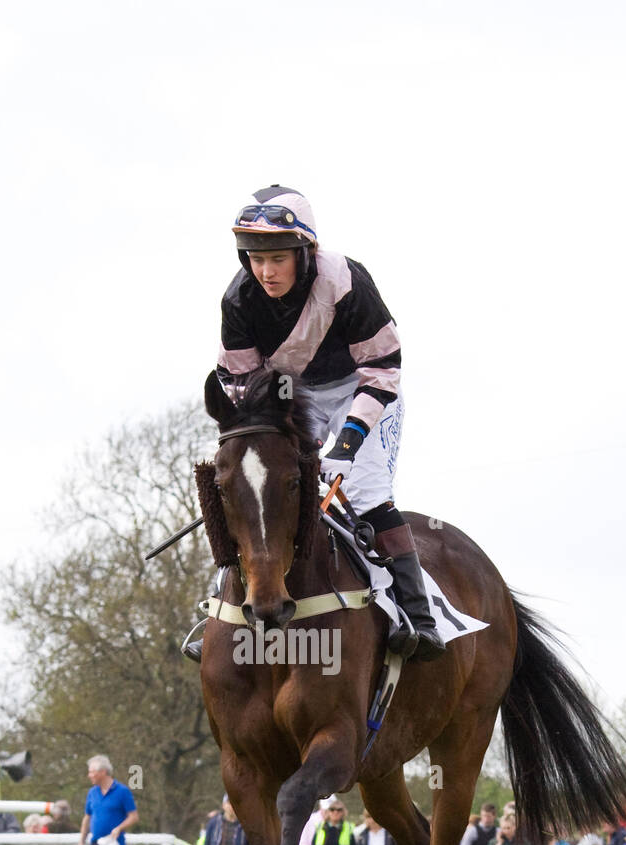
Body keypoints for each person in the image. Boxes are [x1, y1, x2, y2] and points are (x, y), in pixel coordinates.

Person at [184, 184, 444, 664]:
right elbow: (242, 385)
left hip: (361, 390)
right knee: (254, 490)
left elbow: (382, 371)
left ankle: (418, 616)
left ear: (305, 251)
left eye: (277, 258)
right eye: (255, 260)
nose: (265, 271)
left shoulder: (346, 280)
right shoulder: (238, 300)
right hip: (291, 397)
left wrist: (347, 443)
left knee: (362, 492)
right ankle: (221, 609)